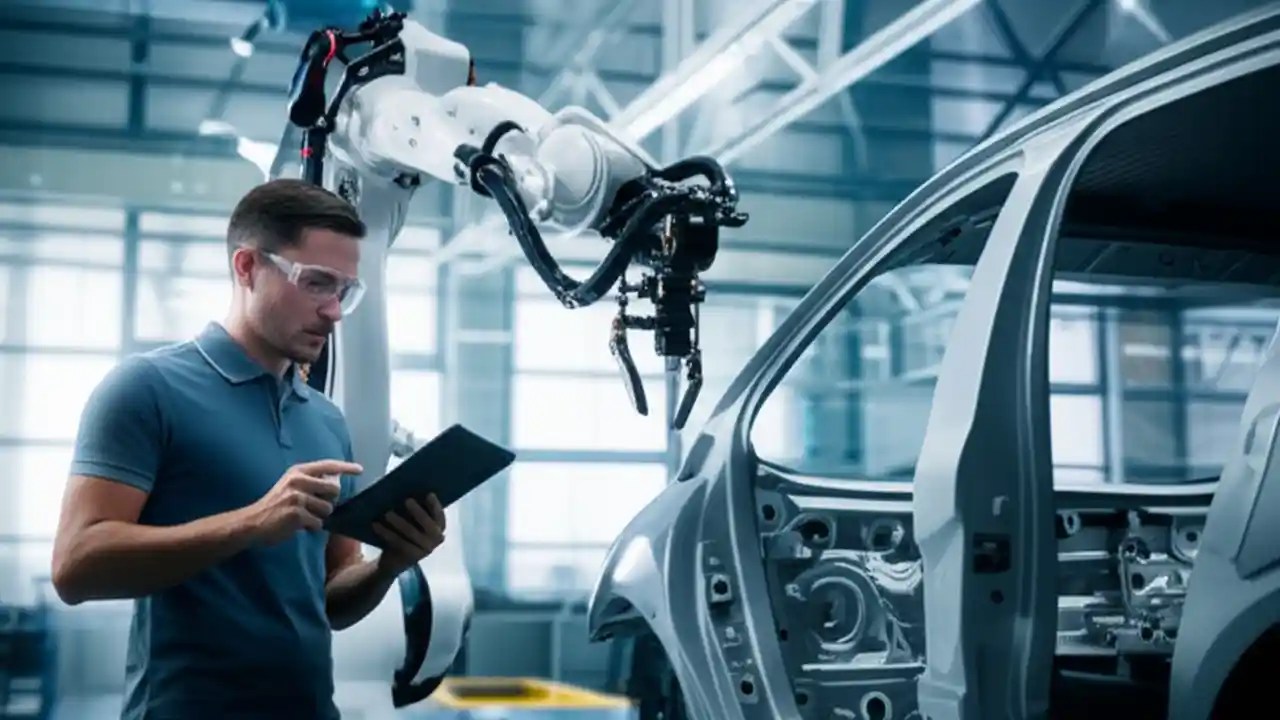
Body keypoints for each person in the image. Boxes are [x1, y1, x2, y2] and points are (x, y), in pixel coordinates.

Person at [50, 178, 446, 720]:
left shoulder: (327, 422)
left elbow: (330, 595)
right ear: (246, 267)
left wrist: (389, 566)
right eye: (316, 283)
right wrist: (250, 523)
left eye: (345, 292)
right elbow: (75, 568)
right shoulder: (145, 389)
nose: (333, 311)